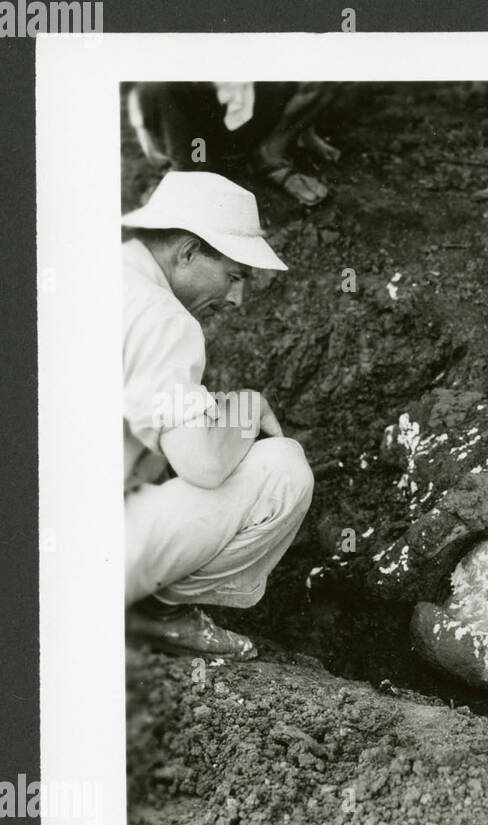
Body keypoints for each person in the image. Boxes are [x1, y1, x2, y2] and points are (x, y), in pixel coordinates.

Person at [122, 171, 314, 659]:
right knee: (283, 469)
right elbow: (202, 467)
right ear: (187, 251)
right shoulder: (165, 319)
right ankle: (154, 613)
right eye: (234, 276)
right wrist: (245, 408)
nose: (236, 299)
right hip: (81, 561)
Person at [128, 82, 340, 206]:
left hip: (238, 103)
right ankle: (201, 185)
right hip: (191, 130)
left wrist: (302, 129)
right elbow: (189, 151)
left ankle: (269, 154)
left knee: (323, 72)